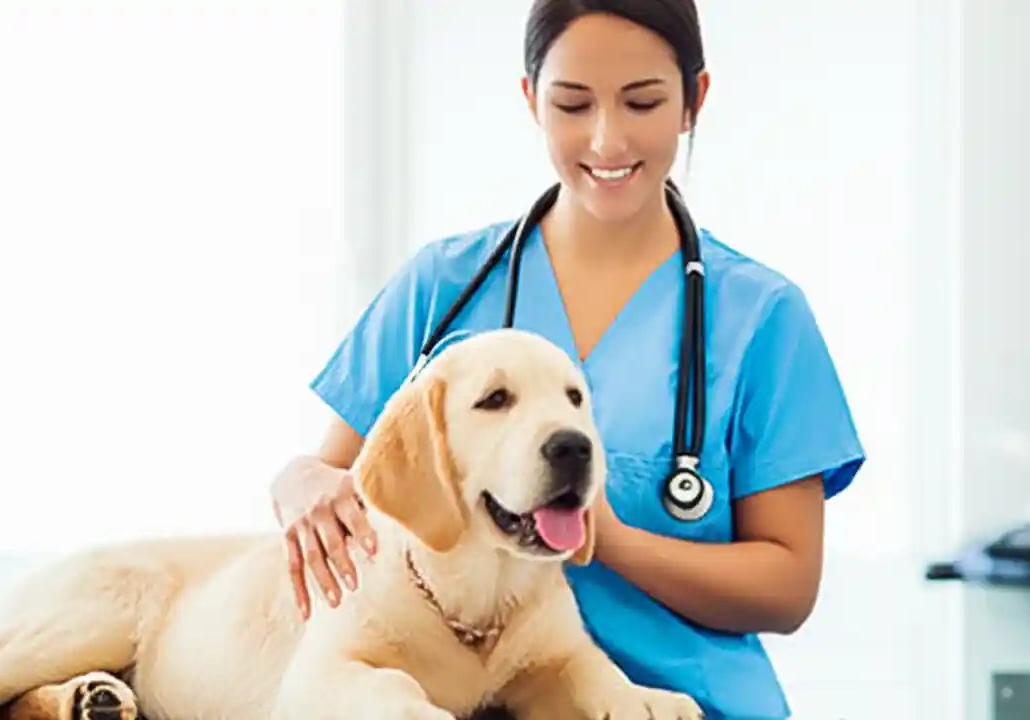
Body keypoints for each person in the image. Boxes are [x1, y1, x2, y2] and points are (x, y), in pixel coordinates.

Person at [269, 1, 865, 718]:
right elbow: (344, 485)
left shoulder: (763, 320)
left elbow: (787, 586)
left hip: (681, 703)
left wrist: (607, 540)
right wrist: (299, 481)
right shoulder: (443, 289)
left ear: (693, 100)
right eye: (573, 104)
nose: (607, 140)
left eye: (643, 101)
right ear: (531, 100)